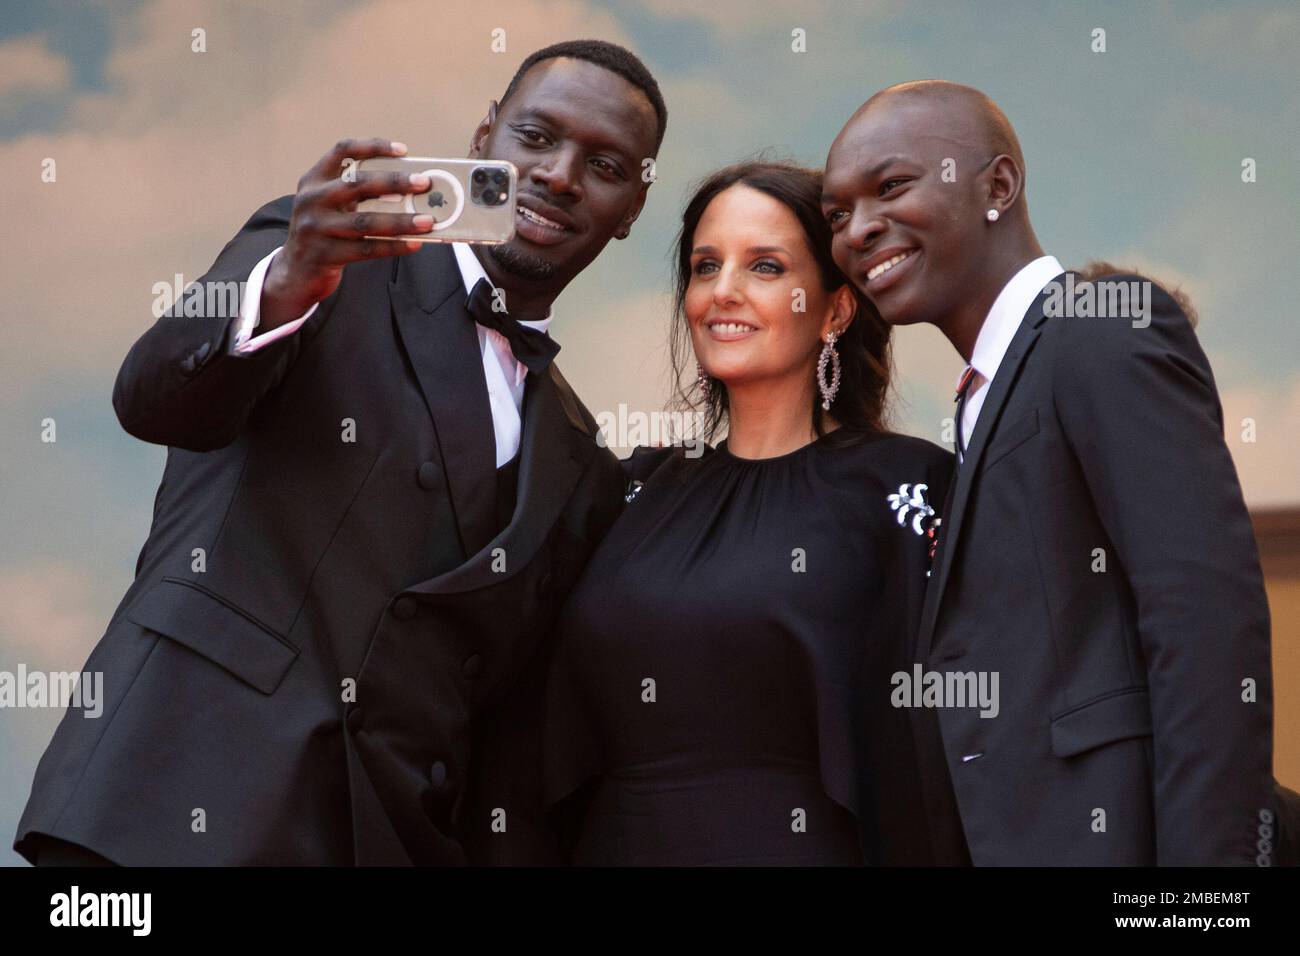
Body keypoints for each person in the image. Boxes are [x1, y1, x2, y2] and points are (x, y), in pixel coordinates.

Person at [14, 39, 667, 866]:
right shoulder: (328, 254)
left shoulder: (575, 453)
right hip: (171, 795)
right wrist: (290, 275)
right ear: (484, 137)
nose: (561, 175)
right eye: (536, 138)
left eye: (605, 165)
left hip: (378, 838)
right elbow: (154, 398)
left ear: (631, 211)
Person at [821, 80, 1275, 865]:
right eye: (836, 215)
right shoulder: (978, 403)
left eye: (891, 187)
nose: (858, 230)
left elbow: (1203, 625)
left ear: (997, 185)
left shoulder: (1098, 331)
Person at [495, 160, 955, 865]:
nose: (723, 293)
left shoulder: (907, 487)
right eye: (705, 267)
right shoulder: (630, 491)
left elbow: (948, 742)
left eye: (765, 267)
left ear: (835, 308)